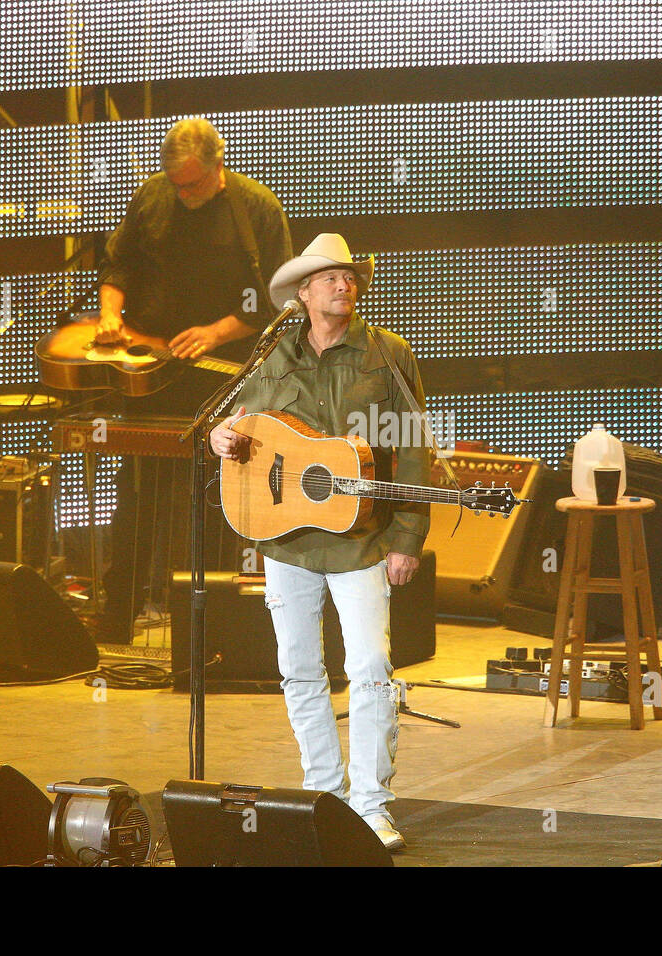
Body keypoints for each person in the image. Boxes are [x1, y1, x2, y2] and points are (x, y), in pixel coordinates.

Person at [209, 234, 430, 851]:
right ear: (303, 292)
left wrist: (408, 535)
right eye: (329, 277)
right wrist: (220, 438)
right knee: (299, 671)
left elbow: (413, 447)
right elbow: (240, 427)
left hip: (362, 540)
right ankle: (321, 796)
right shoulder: (273, 353)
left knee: (369, 670)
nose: (343, 285)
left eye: (349, 277)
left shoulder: (388, 354)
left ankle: (371, 805)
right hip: (287, 542)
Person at [95, 117, 292, 640]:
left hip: (221, 374)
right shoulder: (154, 196)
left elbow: (278, 298)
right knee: (138, 491)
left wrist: (215, 331)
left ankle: (207, 626)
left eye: (193, 184)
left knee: (213, 493)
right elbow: (118, 267)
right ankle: (119, 615)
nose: (183, 194)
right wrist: (110, 315)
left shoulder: (257, 209)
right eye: (176, 183)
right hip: (150, 371)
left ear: (217, 168)